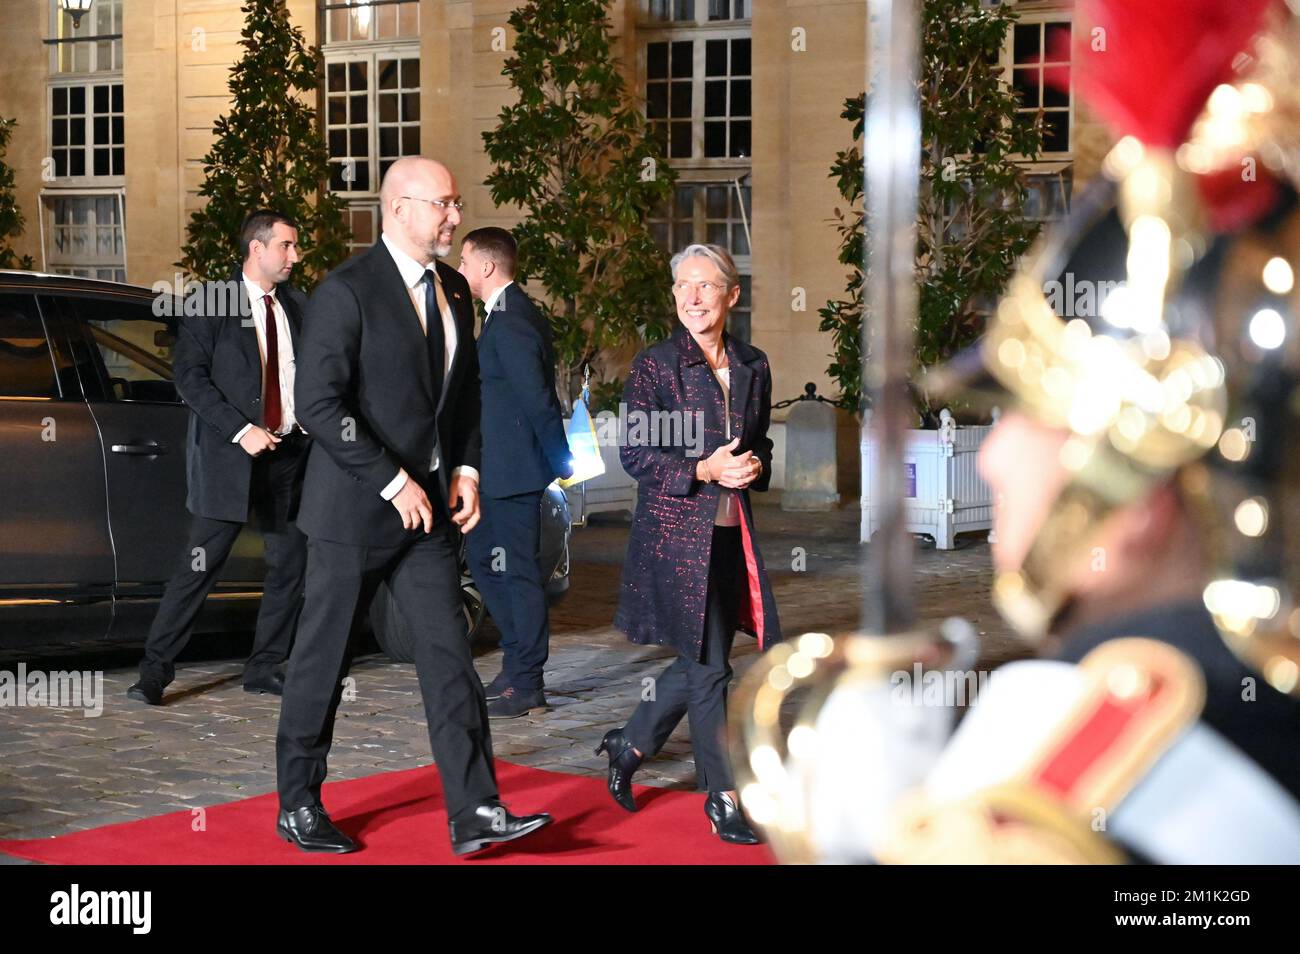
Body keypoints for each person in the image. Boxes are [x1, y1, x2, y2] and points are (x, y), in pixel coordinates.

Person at [275, 157, 551, 856]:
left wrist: (464, 468)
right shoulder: (345, 291)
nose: (456, 218)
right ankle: (299, 803)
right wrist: (391, 480)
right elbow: (317, 403)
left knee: (448, 657)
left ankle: (475, 810)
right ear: (399, 210)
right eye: (445, 205)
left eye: (457, 205)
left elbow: (463, 398)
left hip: (428, 516)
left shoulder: (457, 290)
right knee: (323, 657)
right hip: (351, 514)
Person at [595, 243, 782, 845]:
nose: (691, 298)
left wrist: (753, 468)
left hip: (732, 538)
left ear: (732, 295)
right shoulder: (657, 366)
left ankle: (630, 744)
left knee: (705, 658)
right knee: (710, 671)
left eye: (704, 286)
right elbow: (637, 454)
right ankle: (723, 796)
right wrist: (701, 470)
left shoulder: (754, 364)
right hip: (676, 540)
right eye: (682, 287)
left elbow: (762, 447)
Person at [127, 210, 310, 706]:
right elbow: (189, 378)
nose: (296, 256)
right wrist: (240, 430)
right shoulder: (212, 301)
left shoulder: (297, 304)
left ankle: (265, 667)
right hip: (232, 456)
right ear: (257, 249)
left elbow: (311, 373)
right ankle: (154, 674)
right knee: (198, 567)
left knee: (289, 566)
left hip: (290, 455)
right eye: (288, 246)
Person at [456, 227, 573, 719]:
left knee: (516, 574)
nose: (461, 271)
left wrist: (560, 460)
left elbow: (537, 398)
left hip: (516, 472)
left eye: (465, 262)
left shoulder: (513, 320)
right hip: (498, 471)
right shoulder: (504, 314)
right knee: (487, 564)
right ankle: (517, 666)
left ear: (487, 266)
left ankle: (526, 681)